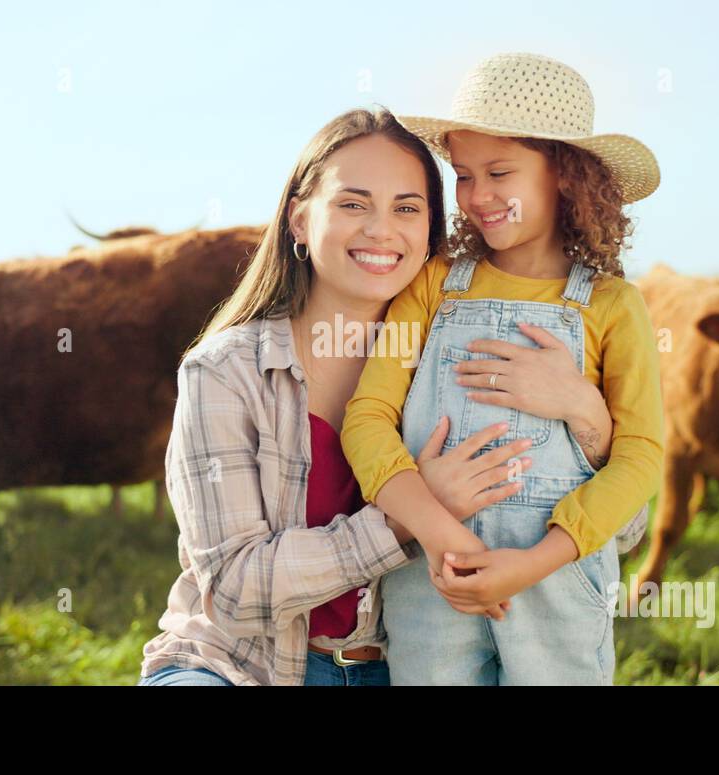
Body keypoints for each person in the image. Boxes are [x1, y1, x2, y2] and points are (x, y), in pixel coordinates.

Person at [137, 105, 622, 685]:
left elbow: (624, 527)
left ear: (430, 234)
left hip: (402, 670)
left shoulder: (465, 354)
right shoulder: (226, 372)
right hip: (240, 666)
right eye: (353, 203)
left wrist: (585, 414)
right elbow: (236, 594)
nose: (380, 229)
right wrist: (408, 517)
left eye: (407, 209)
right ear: (298, 220)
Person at [341, 52, 663, 685]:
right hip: (433, 572)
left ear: (564, 177)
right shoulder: (433, 286)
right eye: (463, 175)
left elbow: (640, 456)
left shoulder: (612, 305)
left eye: (499, 172)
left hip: (556, 578)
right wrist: (438, 534)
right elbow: (368, 416)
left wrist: (538, 560)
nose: (477, 196)